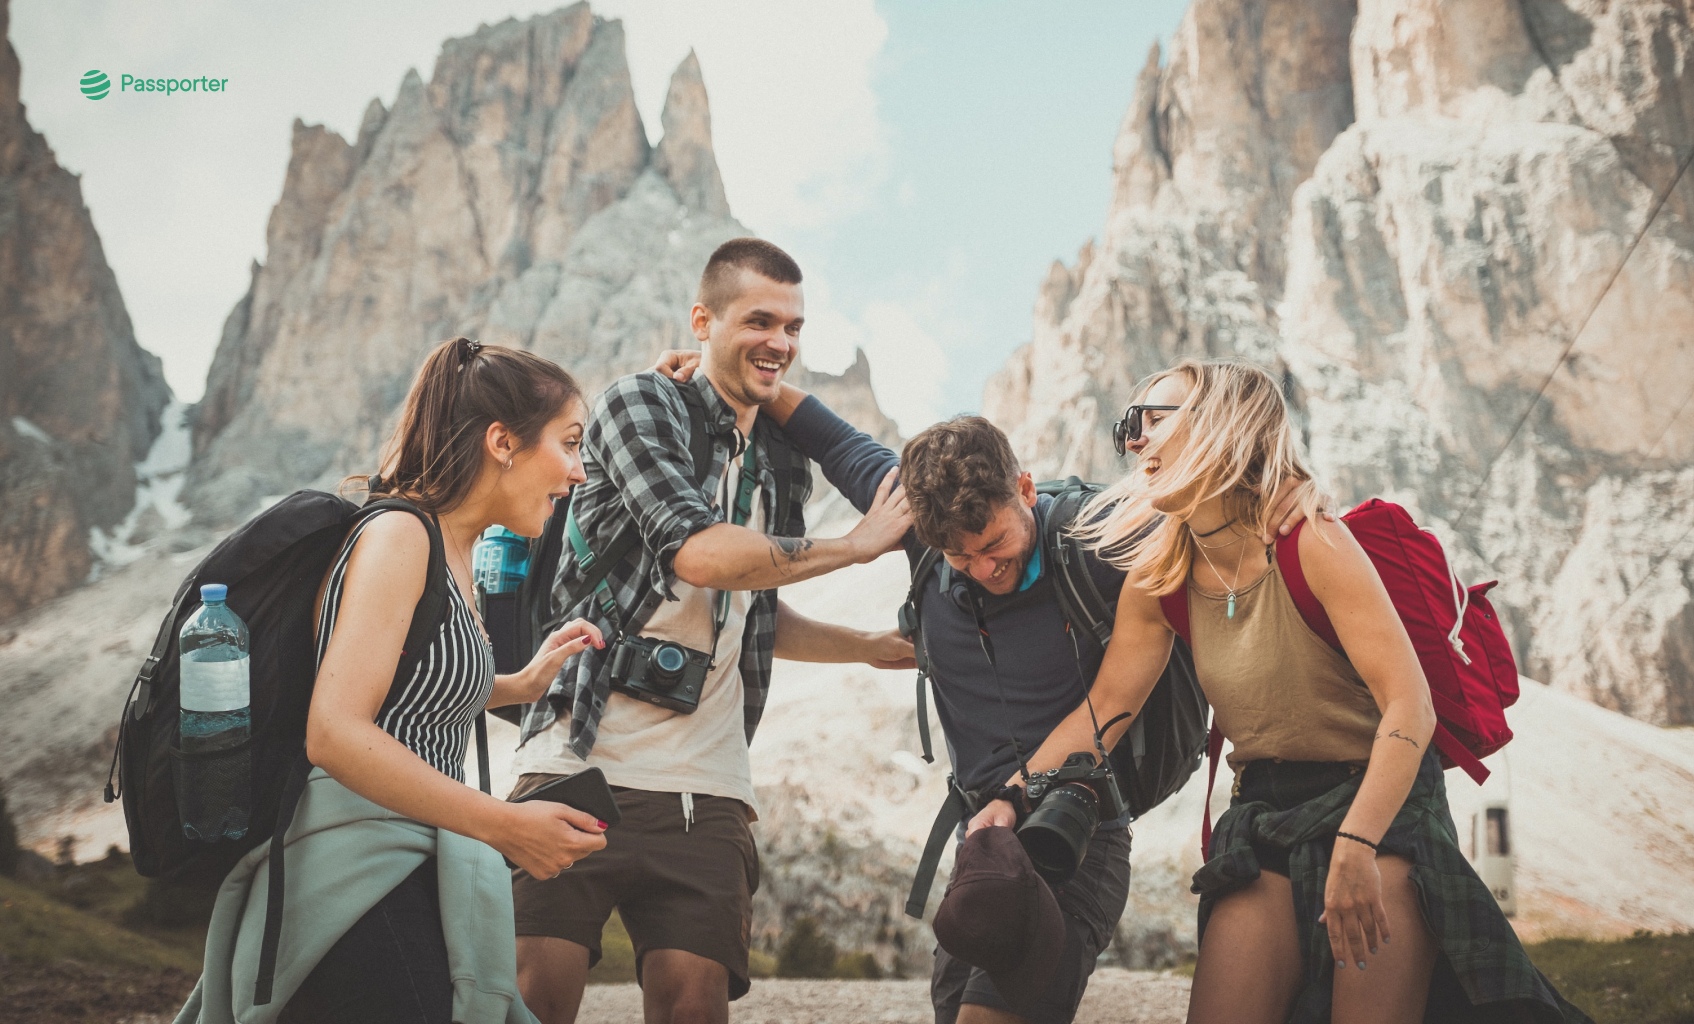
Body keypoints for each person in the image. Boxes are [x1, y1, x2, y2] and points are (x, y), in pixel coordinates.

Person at [650, 349, 1303, 1024]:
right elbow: (830, 437)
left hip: (1073, 831)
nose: (984, 568)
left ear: (1024, 488)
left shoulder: (1097, 541)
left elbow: (1219, 506)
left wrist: (1291, 493)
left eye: (996, 545)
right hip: (984, 841)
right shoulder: (922, 532)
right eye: (961, 557)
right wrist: (723, 365)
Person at [1020, 358, 1592, 1024]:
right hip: (1264, 811)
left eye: (1152, 420)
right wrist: (1007, 798)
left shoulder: (1311, 541)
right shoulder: (1160, 577)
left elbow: (1412, 707)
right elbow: (1103, 710)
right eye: (1129, 426)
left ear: (1220, 426)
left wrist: (1359, 844)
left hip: (1382, 805)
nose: (1134, 441)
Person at [511, 238, 915, 1024]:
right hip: (578, 753)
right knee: (532, 998)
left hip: (709, 783)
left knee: (695, 1005)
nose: (782, 342)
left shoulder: (782, 459)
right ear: (703, 319)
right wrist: (854, 547)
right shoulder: (638, 404)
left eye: (795, 327)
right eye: (759, 320)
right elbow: (699, 555)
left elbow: (755, 602)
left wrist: (865, 649)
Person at [278, 338, 610, 1023]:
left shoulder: (456, 548)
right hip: (356, 873)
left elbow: (405, 679)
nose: (579, 473)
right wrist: (507, 827)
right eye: (570, 444)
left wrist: (518, 682)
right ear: (502, 442)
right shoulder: (402, 536)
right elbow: (334, 732)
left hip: (410, 858)